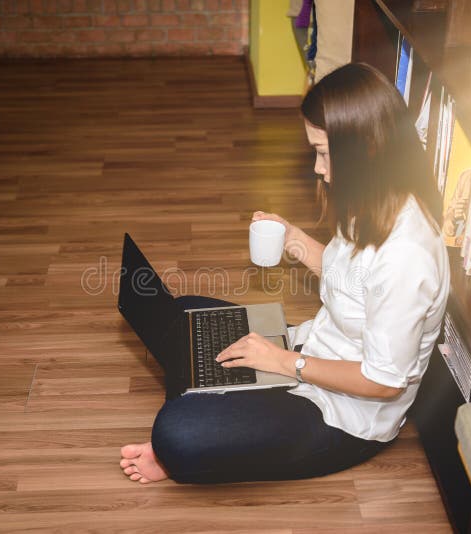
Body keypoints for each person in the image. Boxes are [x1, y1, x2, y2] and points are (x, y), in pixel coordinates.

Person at [119, 63, 451, 485]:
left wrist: (282, 362)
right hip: (310, 348)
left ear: (366, 148)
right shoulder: (374, 200)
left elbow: (382, 382)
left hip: (345, 415)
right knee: (183, 314)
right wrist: (291, 237)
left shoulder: (408, 256)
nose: (317, 167)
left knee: (175, 434)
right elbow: (347, 276)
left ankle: (199, 415)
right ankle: (215, 395)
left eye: (325, 153)